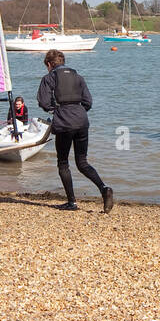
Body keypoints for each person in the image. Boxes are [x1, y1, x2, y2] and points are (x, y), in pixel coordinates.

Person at [37, 50, 114, 213]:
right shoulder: (79, 77)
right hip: (81, 120)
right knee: (82, 162)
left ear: (49, 64)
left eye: (47, 66)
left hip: (64, 121)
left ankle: (71, 202)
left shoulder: (49, 77)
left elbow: (43, 102)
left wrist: (56, 110)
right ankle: (104, 188)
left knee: (63, 162)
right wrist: (77, 111)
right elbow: (88, 102)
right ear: (63, 61)